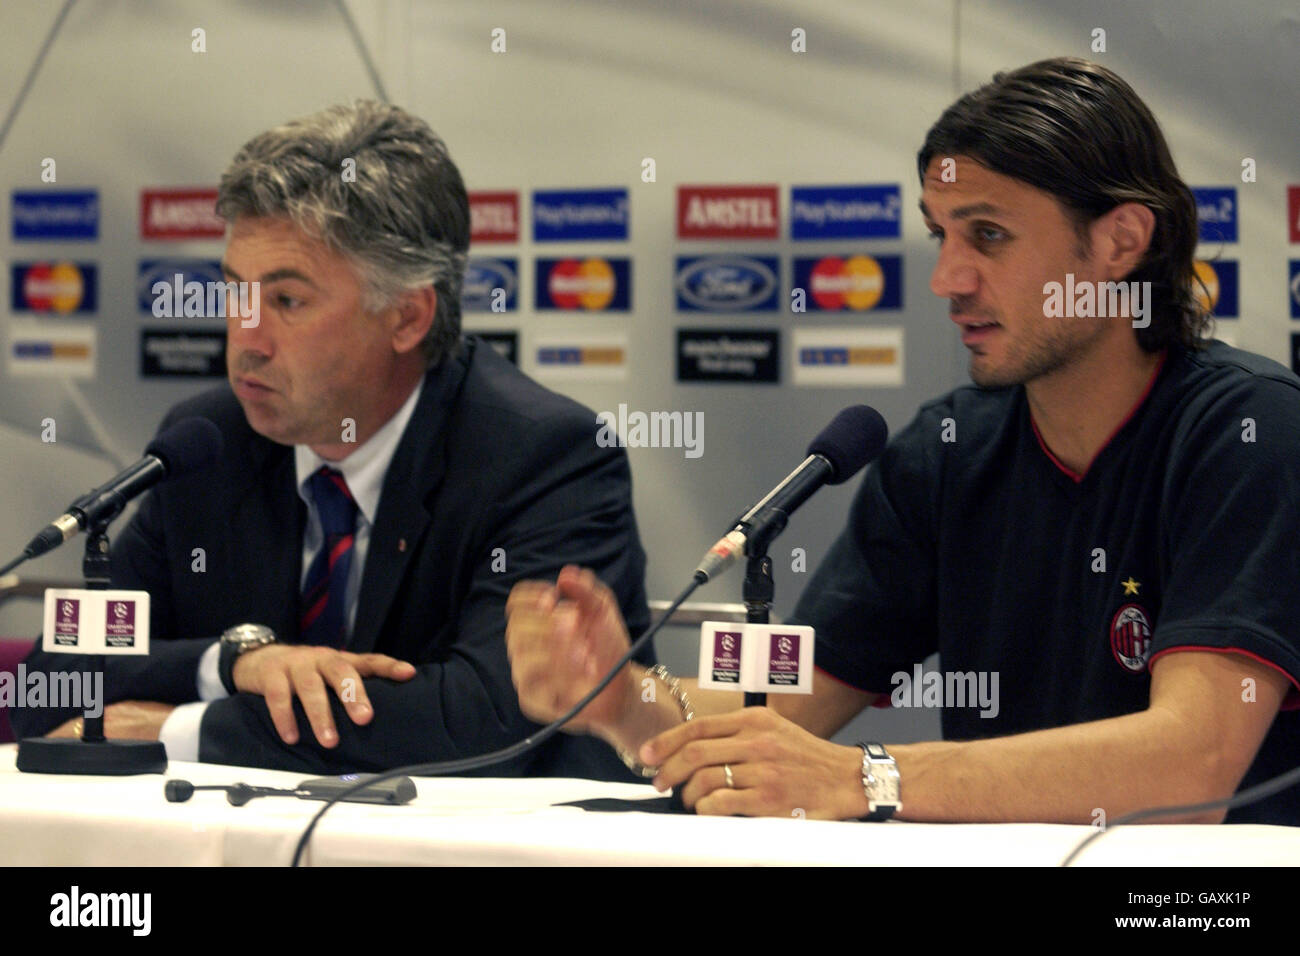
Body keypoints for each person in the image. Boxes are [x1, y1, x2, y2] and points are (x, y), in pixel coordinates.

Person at [506, 57, 1300, 824]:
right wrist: (620, 696)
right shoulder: (948, 451)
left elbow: (1192, 764)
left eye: (988, 235)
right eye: (940, 235)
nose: (946, 279)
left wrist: (870, 776)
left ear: (1120, 242)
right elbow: (786, 709)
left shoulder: (1247, 434)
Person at [13, 100, 654, 779]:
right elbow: (48, 689)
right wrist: (235, 662)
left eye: (287, 302)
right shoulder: (208, 443)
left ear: (406, 317)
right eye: (236, 293)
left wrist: (183, 728)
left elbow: (489, 717)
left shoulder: (544, 457)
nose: (245, 340)